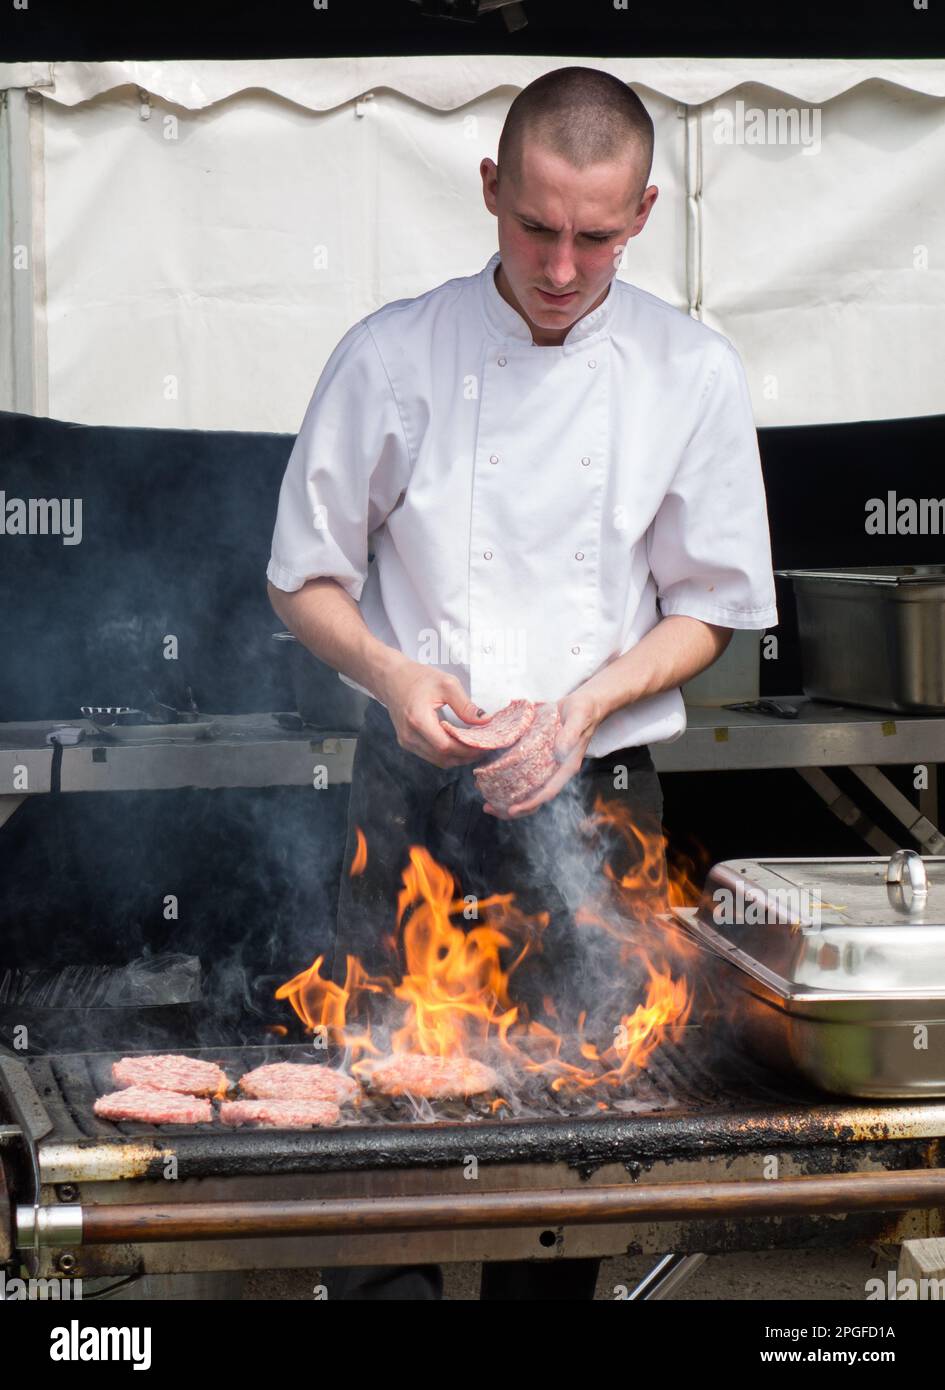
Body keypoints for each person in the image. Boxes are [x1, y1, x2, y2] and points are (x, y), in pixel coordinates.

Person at [267, 65, 778, 1300]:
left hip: (595, 806)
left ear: (644, 213)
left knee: (568, 1149)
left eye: (596, 237)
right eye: (537, 227)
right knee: (377, 1131)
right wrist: (392, 670)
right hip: (412, 798)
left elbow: (709, 608)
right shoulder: (393, 354)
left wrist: (584, 705)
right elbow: (303, 578)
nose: (561, 266)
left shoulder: (690, 371)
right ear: (491, 188)